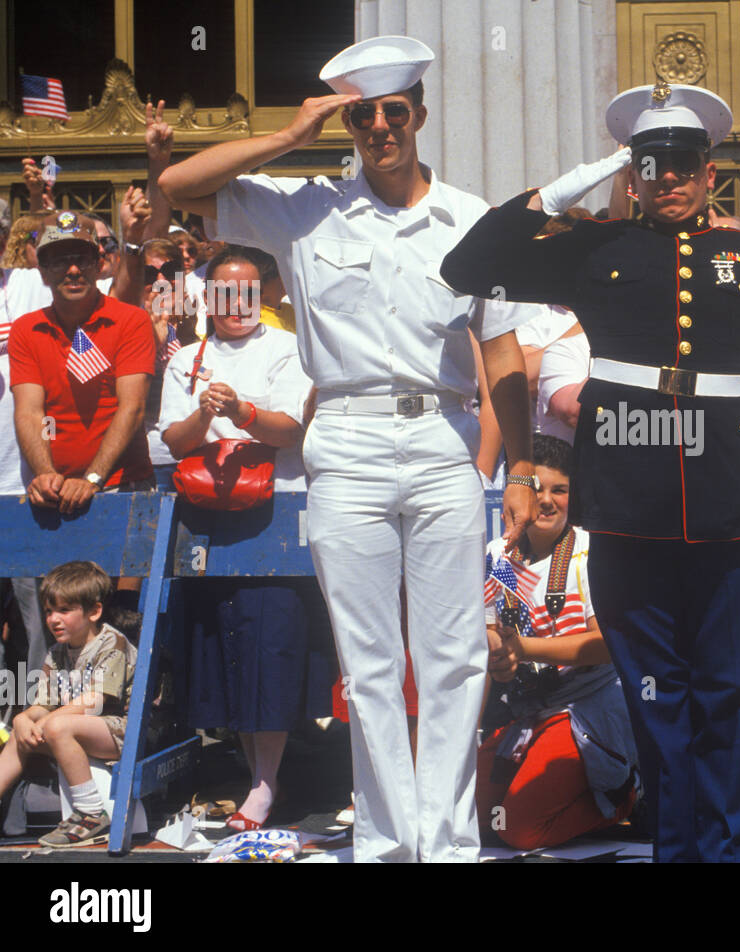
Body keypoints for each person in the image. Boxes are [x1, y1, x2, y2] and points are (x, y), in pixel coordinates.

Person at [158, 35, 537, 863]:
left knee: (453, 657)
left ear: (420, 115)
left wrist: (523, 463)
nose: (378, 128)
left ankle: (447, 844)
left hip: (444, 436)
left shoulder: (473, 220)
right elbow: (175, 185)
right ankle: (390, 843)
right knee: (369, 663)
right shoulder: (307, 207)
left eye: (392, 112)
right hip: (348, 439)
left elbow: (503, 353)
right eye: (362, 115)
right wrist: (290, 137)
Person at [442, 82, 740, 862]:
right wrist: (573, 181)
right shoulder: (594, 250)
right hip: (625, 503)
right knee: (657, 695)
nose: (669, 178)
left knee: (730, 694)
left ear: (709, 170)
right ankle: (674, 847)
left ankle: (734, 851)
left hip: (729, 500)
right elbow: (469, 263)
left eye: (683, 162)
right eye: (650, 164)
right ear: (633, 171)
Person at [160, 245, 329, 831]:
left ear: (264, 296)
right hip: (207, 515)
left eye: (247, 291)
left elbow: (292, 430)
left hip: (273, 514)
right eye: (224, 292)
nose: (235, 304)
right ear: (208, 297)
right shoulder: (185, 357)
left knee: (272, 639)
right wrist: (206, 415)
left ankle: (265, 783)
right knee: (222, 645)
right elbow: (174, 442)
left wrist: (244, 409)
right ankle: (254, 771)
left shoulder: (287, 348)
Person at [478, 435, 638, 849]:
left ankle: (628, 795)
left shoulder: (589, 550)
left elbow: (608, 644)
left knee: (517, 830)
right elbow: (496, 625)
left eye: (559, 490)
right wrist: (499, 652)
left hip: (588, 709)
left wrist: (523, 651)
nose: (546, 501)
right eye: (536, 489)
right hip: (529, 710)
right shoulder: (502, 553)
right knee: (471, 815)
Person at [9, 212, 155, 512]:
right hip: (53, 493)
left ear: (99, 265)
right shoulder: (26, 329)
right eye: (60, 260)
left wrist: (92, 478)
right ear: (43, 272)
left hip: (123, 488)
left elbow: (133, 407)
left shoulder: (131, 321)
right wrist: (46, 474)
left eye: (83, 259)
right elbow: (30, 412)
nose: (73, 270)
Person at [0, 561, 136, 848]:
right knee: (21, 735)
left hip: (123, 733)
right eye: (49, 611)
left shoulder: (112, 644)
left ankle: (90, 813)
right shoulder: (57, 652)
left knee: (58, 725)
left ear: (93, 612)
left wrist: (47, 721)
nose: (53, 619)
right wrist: (24, 719)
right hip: (77, 732)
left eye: (64, 610)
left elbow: (96, 701)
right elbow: (43, 704)